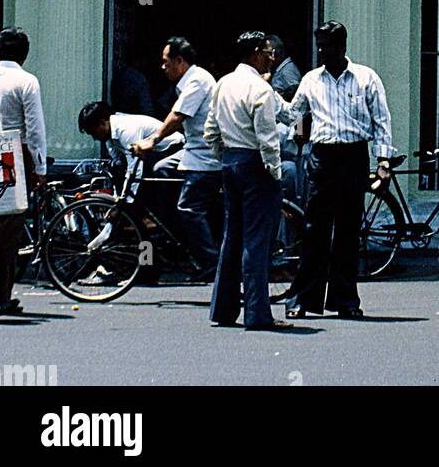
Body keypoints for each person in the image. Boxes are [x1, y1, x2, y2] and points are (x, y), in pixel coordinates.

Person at [285, 22, 393, 320]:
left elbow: (381, 120)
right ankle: (302, 299)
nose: (323, 51)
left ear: (343, 46)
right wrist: (299, 140)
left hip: (353, 156)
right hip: (321, 157)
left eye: (329, 46)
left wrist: (383, 161)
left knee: (348, 231)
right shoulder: (310, 80)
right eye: (320, 45)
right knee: (314, 230)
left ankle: (345, 300)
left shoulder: (366, 78)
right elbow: (296, 113)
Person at [203, 30, 292, 332]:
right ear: (255, 52)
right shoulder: (260, 89)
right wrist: (275, 172)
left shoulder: (223, 83)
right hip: (256, 165)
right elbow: (268, 138)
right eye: (268, 51)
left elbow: (210, 129)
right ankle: (257, 313)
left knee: (232, 236)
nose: (272, 56)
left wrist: (223, 156)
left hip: (231, 161)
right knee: (256, 241)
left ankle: (223, 309)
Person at [132, 37, 221, 280]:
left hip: (206, 154)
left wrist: (153, 140)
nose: (163, 68)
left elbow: (178, 115)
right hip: (192, 148)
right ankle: (172, 232)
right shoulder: (186, 82)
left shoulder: (197, 80)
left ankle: (210, 260)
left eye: (166, 62)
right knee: (162, 169)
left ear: (179, 61)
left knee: (189, 208)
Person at [0, 28, 46, 318]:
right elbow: (34, 127)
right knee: (8, 229)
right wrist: (40, 167)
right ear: (24, 53)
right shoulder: (26, 81)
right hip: (12, 155)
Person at [77, 101, 183, 199]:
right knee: (118, 167)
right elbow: (118, 162)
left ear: (102, 123)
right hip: (152, 152)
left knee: (148, 178)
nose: (95, 138)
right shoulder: (109, 135)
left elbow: (136, 169)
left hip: (171, 148)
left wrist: (128, 201)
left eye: (94, 133)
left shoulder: (125, 129)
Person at [269, 36, 302, 103]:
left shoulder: (288, 70)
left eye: (270, 53)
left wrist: (278, 97)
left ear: (278, 52)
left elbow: (296, 91)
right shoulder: (281, 68)